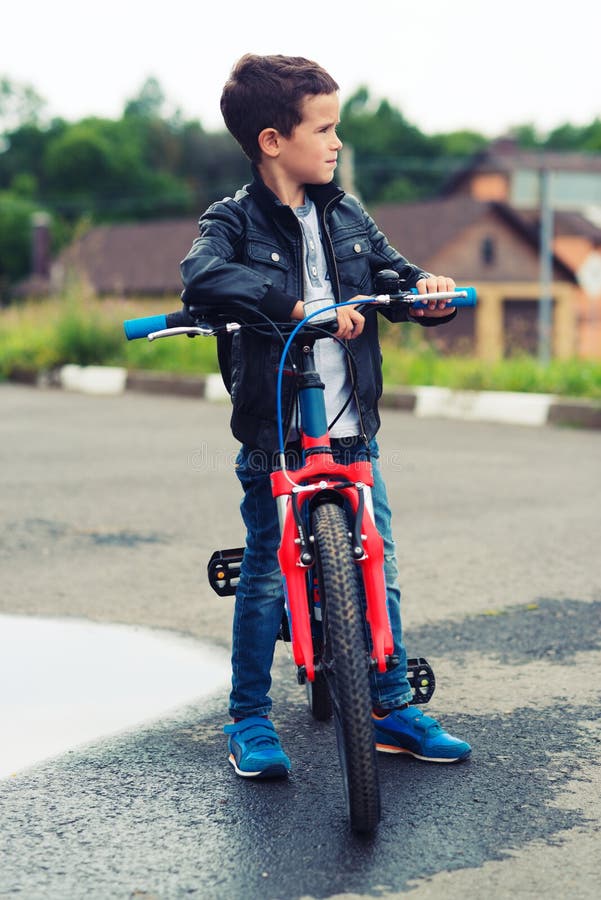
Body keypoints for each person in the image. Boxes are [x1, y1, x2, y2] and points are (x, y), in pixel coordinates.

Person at [180, 53, 471, 779]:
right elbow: (203, 276)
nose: (337, 142)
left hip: (350, 426)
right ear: (273, 141)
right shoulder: (232, 220)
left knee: (382, 559)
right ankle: (248, 717)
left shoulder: (345, 213)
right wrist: (292, 306)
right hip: (273, 431)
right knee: (267, 575)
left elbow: (394, 277)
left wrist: (423, 294)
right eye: (325, 128)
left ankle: (389, 705)